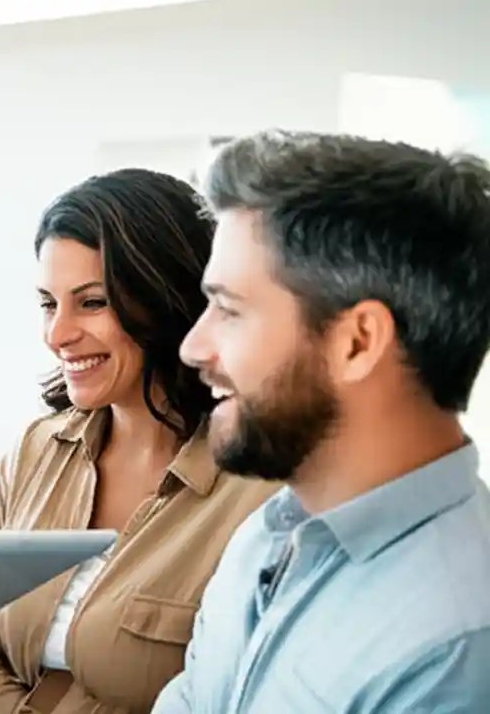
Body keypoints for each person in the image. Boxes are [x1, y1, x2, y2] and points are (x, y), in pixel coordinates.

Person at [153, 131, 490, 712]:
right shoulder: (267, 533)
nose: (192, 346)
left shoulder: (455, 647)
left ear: (357, 342)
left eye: (228, 309)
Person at [0, 169, 279, 714]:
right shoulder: (37, 451)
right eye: (48, 303)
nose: (56, 334)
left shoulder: (259, 490)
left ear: (168, 300)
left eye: (91, 303)